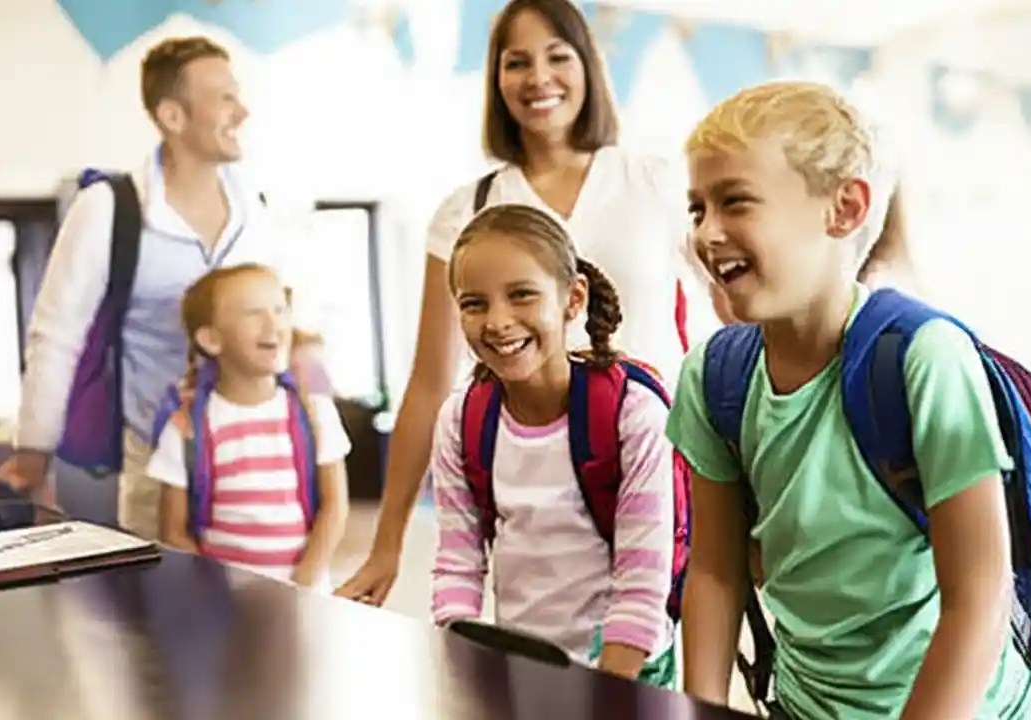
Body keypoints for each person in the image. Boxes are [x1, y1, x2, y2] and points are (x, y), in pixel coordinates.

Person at [668, 82, 1031, 718]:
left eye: (736, 202)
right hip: (806, 703)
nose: (708, 232)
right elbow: (715, 573)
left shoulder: (925, 359)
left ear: (843, 208)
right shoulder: (713, 377)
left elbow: (979, 598)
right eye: (698, 208)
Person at [337, 0, 720, 607]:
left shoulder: (654, 182)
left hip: (661, 475)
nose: (538, 77)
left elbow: (735, 310)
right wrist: (387, 545)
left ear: (588, 65)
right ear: (496, 80)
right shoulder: (467, 209)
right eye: (517, 63)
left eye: (557, 56)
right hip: (537, 496)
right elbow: (429, 383)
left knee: (657, 643)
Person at [0, 36, 279, 540]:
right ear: (172, 116)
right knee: (162, 587)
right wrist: (33, 452)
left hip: (250, 453)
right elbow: (57, 335)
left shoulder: (254, 208)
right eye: (225, 98)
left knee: (262, 586)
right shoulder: (109, 208)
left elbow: (282, 320)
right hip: (153, 456)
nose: (243, 111)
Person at [428, 203, 678, 685]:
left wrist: (607, 694)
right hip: (523, 667)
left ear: (573, 298)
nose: (497, 321)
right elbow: (457, 566)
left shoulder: (632, 413)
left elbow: (642, 583)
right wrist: (461, 672)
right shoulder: (461, 419)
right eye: (474, 303)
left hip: (628, 668)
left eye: (521, 295)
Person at [147, 264, 351, 593]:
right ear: (211, 339)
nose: (274, 324)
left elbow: (335, 508)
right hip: (224, 607)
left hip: (303, 601)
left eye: (280, 310)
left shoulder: (316, 413)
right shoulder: (186, 430)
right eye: (253, 313)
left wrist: (299, 587)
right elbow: (173, 533)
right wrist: (217, 596)